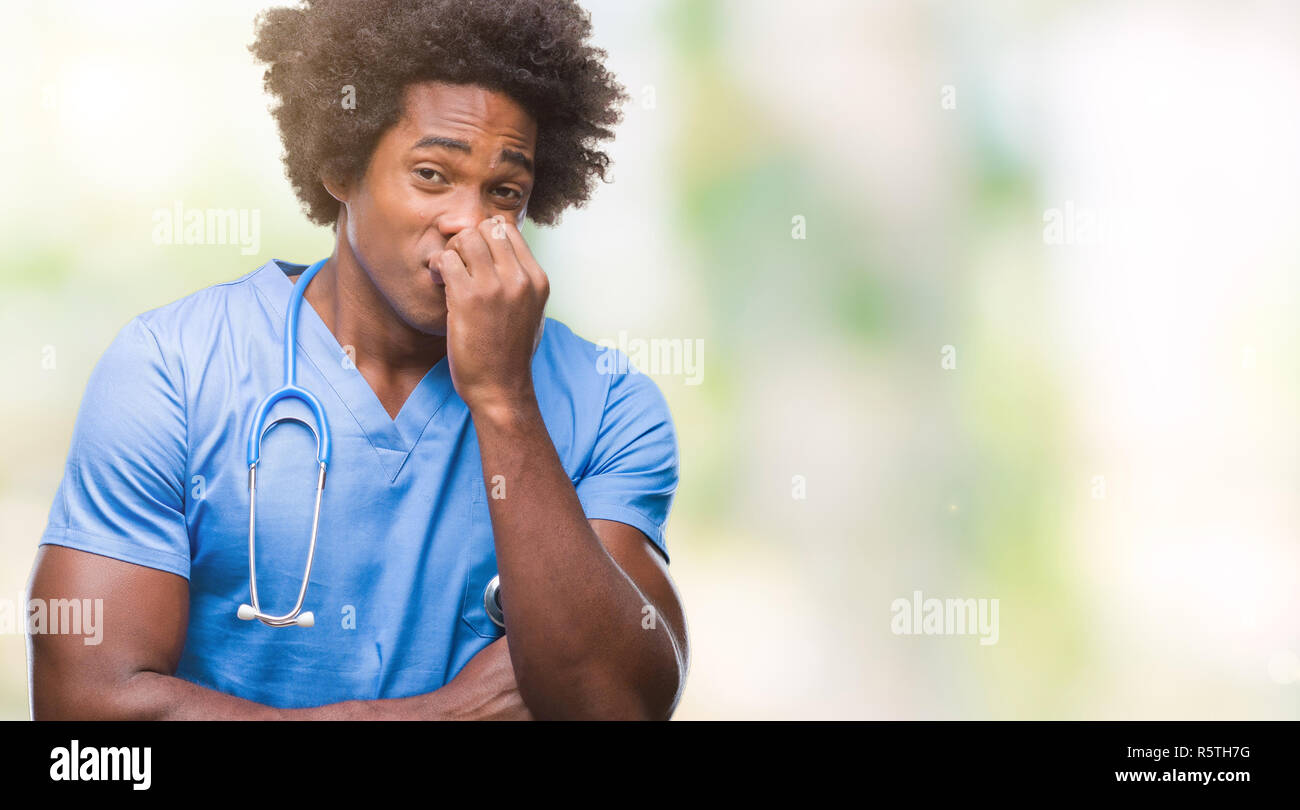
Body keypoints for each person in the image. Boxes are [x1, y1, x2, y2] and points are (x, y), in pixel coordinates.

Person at [27, 0, 688, 721]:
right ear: (342, 167)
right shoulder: (170, 369)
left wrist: (503, 400)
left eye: (504, 192)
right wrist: (440, 714)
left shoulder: (609, 405)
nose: (470, 222)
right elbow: (86, 719)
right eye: (433, 174)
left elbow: (614, 703)